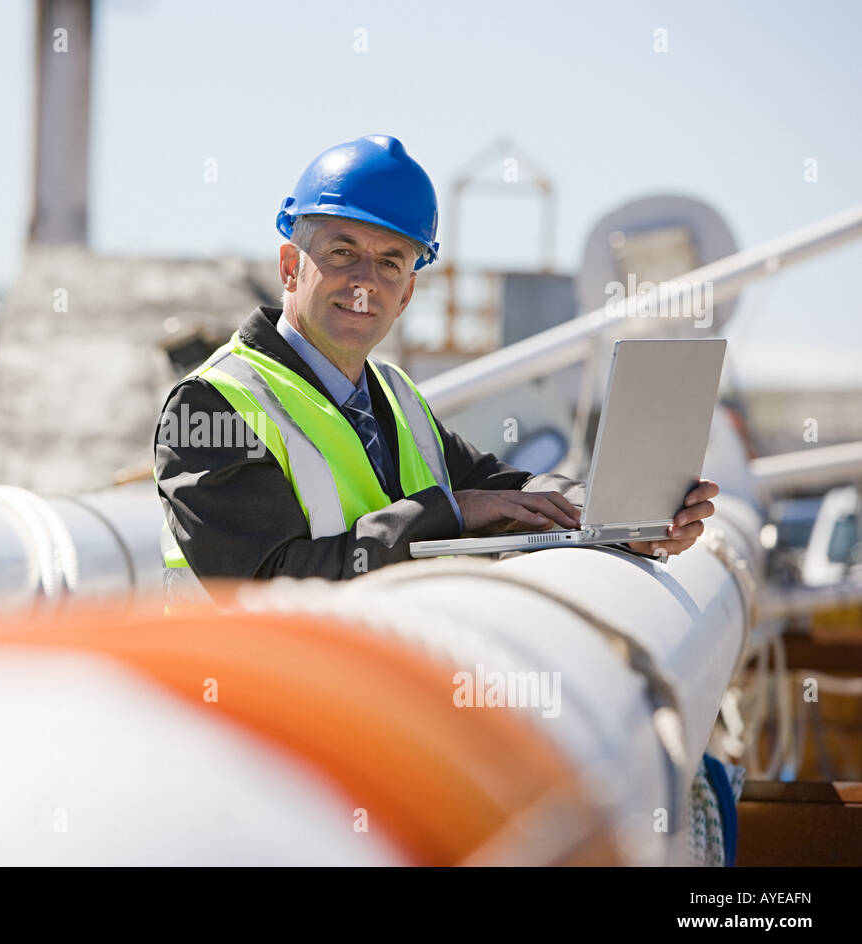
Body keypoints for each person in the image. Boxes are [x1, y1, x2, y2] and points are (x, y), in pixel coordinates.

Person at [153, 135, 718, 608]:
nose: (364, 281)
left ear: (406, 294)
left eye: (391, 262)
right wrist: (448, 514)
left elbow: (501, 488)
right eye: (342, 251)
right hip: (242, 724)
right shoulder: (213, 405)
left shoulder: (394, 396)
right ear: (289, 266)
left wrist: (617, 517)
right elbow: (265, 587)